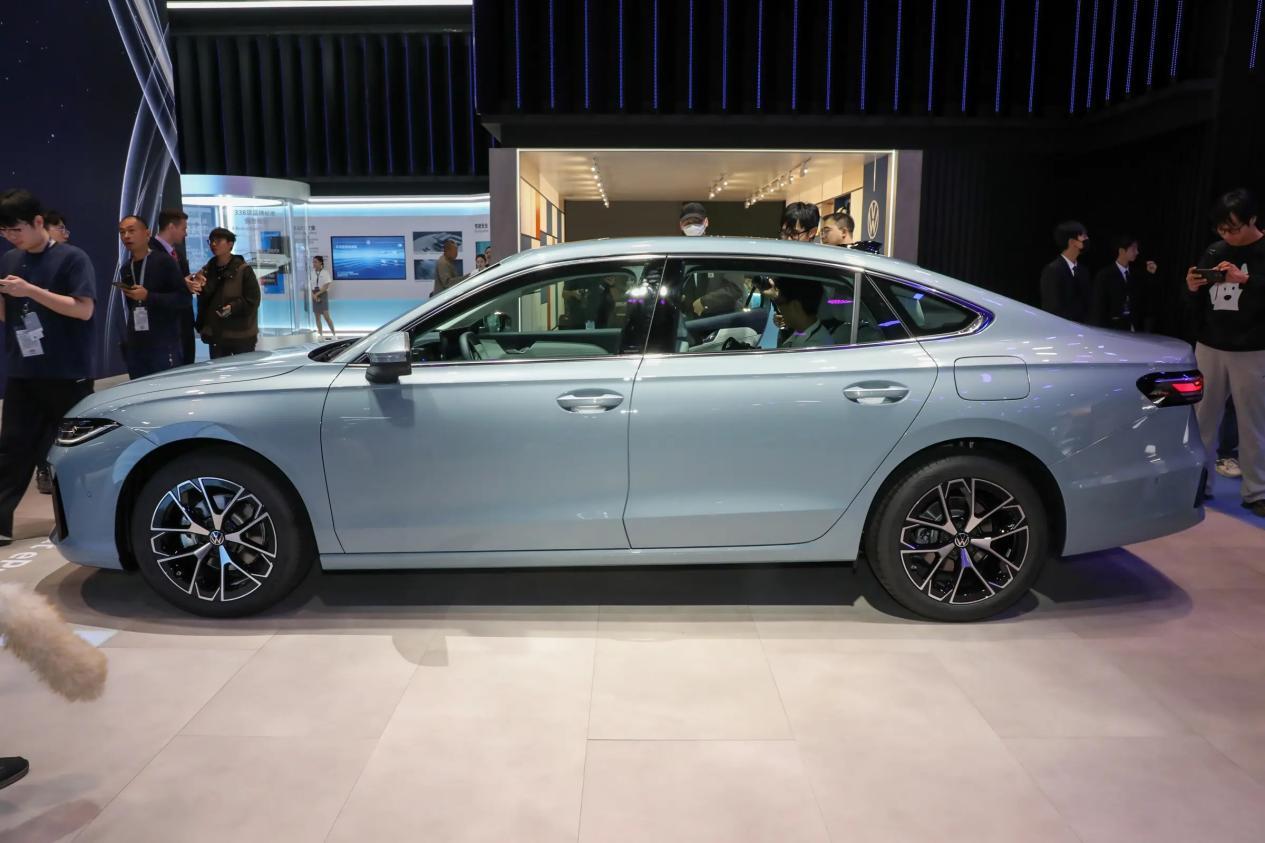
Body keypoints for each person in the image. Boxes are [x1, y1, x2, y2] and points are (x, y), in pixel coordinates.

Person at [0, 189, 95, 547]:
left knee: (74, 452)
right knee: (12, 450)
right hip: (23, 371)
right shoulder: (10, 260)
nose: (11, 237)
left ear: (38, 222)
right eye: (4, 232)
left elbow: (83, 309)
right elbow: (9, 315)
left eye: (16, 229)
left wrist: (30, 290)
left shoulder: (73, 258)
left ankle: (87, 520)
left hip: (67, 373)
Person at [1185, 188, 1265, 517]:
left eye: (1233, 228)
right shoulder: (1214, 250)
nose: (1227, 235)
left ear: (1253, 220)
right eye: (1221, 229)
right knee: (1203, 419)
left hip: (1253, 349)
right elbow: (1196, 302)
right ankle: (1199, 483)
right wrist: (1192, 288)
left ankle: (1257, 490)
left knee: (1252, 422)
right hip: (1210, 346)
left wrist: (1245, 279)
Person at [117, 215, 189, 378]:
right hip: (137, 343)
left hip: (163, 343)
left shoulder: (164, 262)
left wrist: (149, 296)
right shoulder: (126, 268)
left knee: (165, 387)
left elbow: (183, 299)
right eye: (122, 232)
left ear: (147, 233)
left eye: (131, 231)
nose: (126, 236)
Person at [186, 227, 261, 359]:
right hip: (216, 334)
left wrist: (232, 307)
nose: (213, 244)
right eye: (211, 241)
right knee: (219, 370)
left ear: (230, 244)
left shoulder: (244, 270)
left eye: (218, 241)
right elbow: (203, 299)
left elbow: (253, 300)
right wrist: (195, 284)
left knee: (243, 369)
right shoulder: (207, 270)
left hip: (241, 334)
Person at [151, 209, 195, 365]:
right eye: (183, 228)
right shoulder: (150, 252)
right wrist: (182, 283)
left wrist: (192, 282)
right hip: (164, 327)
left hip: (183, 324)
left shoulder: (178, 255)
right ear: (171, 227)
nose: (185, 234)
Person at [1089, 235, 1158, 331]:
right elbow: (1098, 307)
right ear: (1122, 251)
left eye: (1137, 249)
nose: (1137, 252)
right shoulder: (1105, 275)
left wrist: (1150, 275)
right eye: (1133, 248)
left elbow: (1146, 301)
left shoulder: (1136, 276)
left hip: (1133, 328)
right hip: (1111, 329)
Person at [1039, 220, 1091, 322]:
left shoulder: (1083, 271)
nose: (1087, 239)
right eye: (1083, 236)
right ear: (1072, 242)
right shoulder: (1053, 271)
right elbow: (1052, 308)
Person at [773, 277, 833, 348]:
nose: (779, 310)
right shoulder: (801, 334)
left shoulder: (813, 348)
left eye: (780, 303)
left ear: (795, 306)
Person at [310, 255, 335, 339]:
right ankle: (320, 335)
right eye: (313, 262)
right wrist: (313, 295)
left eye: (315, 262)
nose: (314, 264)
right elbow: (309, 286)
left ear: (321, 262)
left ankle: (334, 334)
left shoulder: (325, 273)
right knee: (317, 317)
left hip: (322, 294)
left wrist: (317, 294)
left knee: (326, 316)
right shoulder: (311, 273)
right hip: (313, 294)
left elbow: (326, 286)